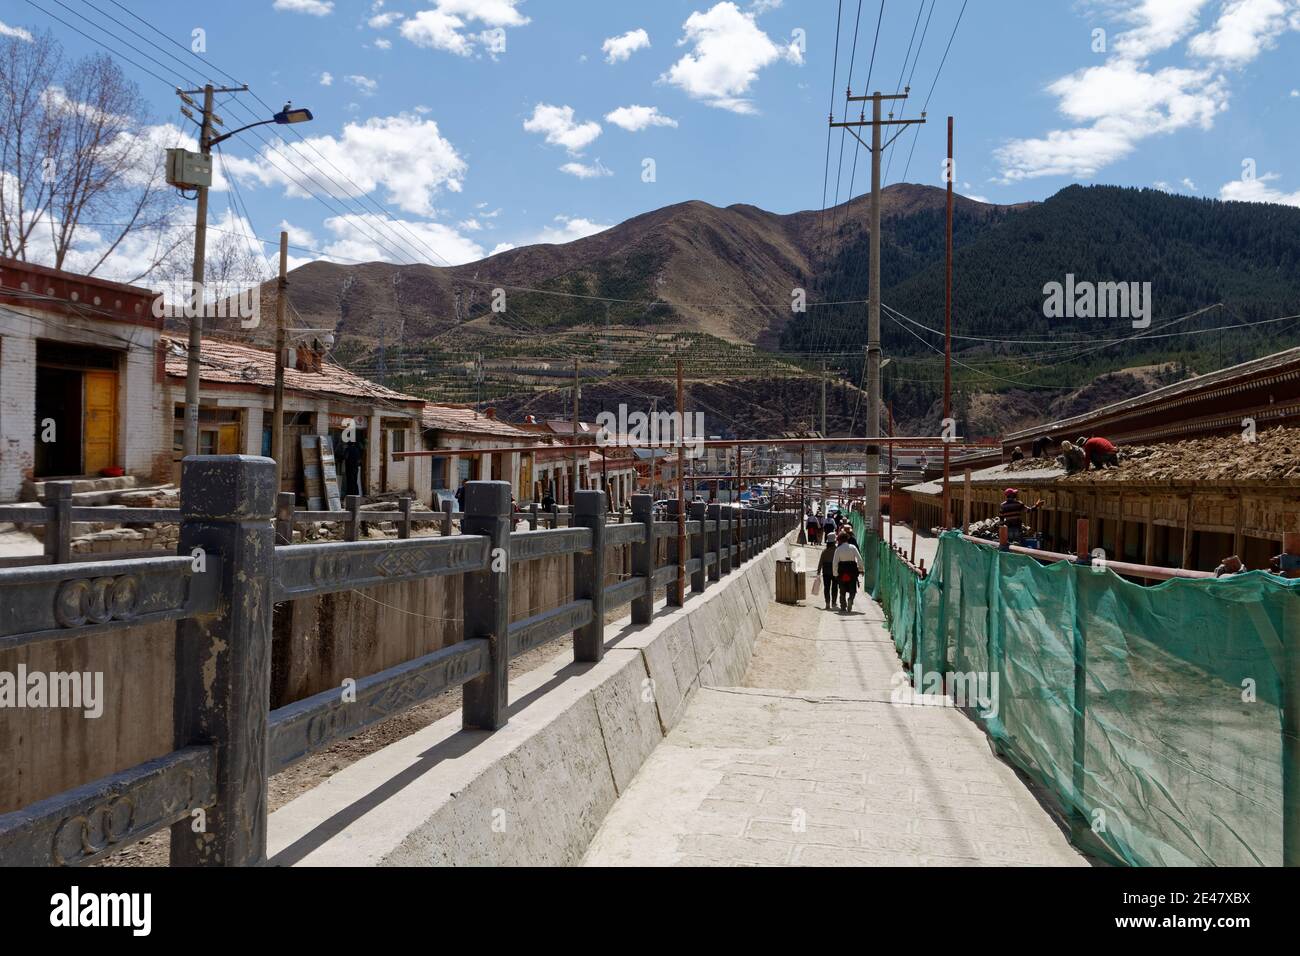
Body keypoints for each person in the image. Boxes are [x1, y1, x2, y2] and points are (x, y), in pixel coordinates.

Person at [833, 531, 863, 611]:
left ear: (840, 540)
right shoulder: (853, 547)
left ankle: (843, 606)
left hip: (842, 571)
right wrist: (861, 569)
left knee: (842, 590)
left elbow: (835, 563)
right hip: (852, 571)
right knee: (852, 589)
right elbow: (860, 559)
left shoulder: (838, 549)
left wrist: (835, 574)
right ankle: (850, 599)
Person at [815, 537, 839, 609]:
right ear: (834, 542)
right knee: (834, 587)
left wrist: (818, 572)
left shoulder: (824, 551)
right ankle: (834, 603)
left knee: (827, 588)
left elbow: (820, 562)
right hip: (835, 571)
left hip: (826, 572)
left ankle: (827, 603)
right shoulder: (837, 550)